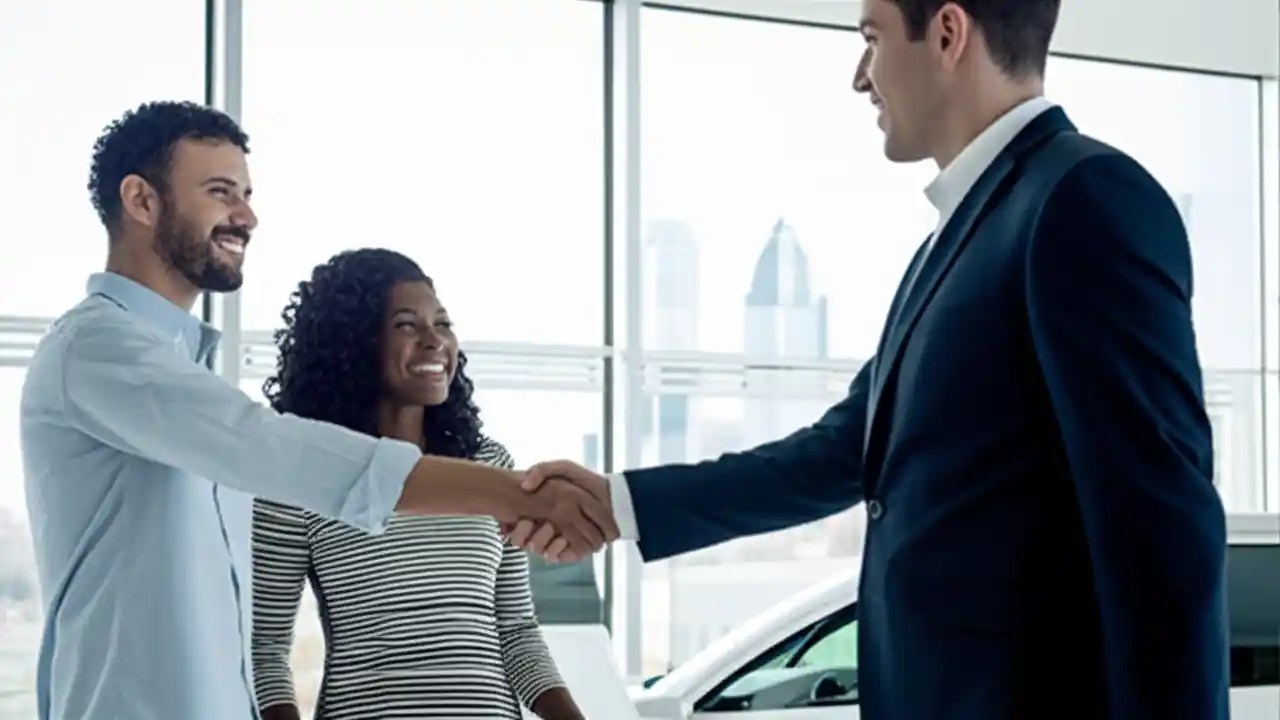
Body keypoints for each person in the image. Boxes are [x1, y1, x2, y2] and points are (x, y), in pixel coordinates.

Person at [515, 1, 1228, 718]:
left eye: (872, 39)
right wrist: (620, 505)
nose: (861, 76)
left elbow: (1162, 536)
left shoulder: (1082, 199)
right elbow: (842, 452)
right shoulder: (955, 239)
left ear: (947, 34)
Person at [18, 102, 616, 720]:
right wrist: (518, 494)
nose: (247, 216)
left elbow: (513, 628)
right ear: (142, 201)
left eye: (246, 194)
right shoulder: (96, 350)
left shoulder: (181, 367)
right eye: (220, 192)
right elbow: (271, 449)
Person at [251, 248, 584, 720]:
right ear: (353, 342)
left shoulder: (490, 466)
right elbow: (265, 650)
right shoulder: (302, 476)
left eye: (442, 324)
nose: (434, 341)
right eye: (407, 325)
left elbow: (516, 631)